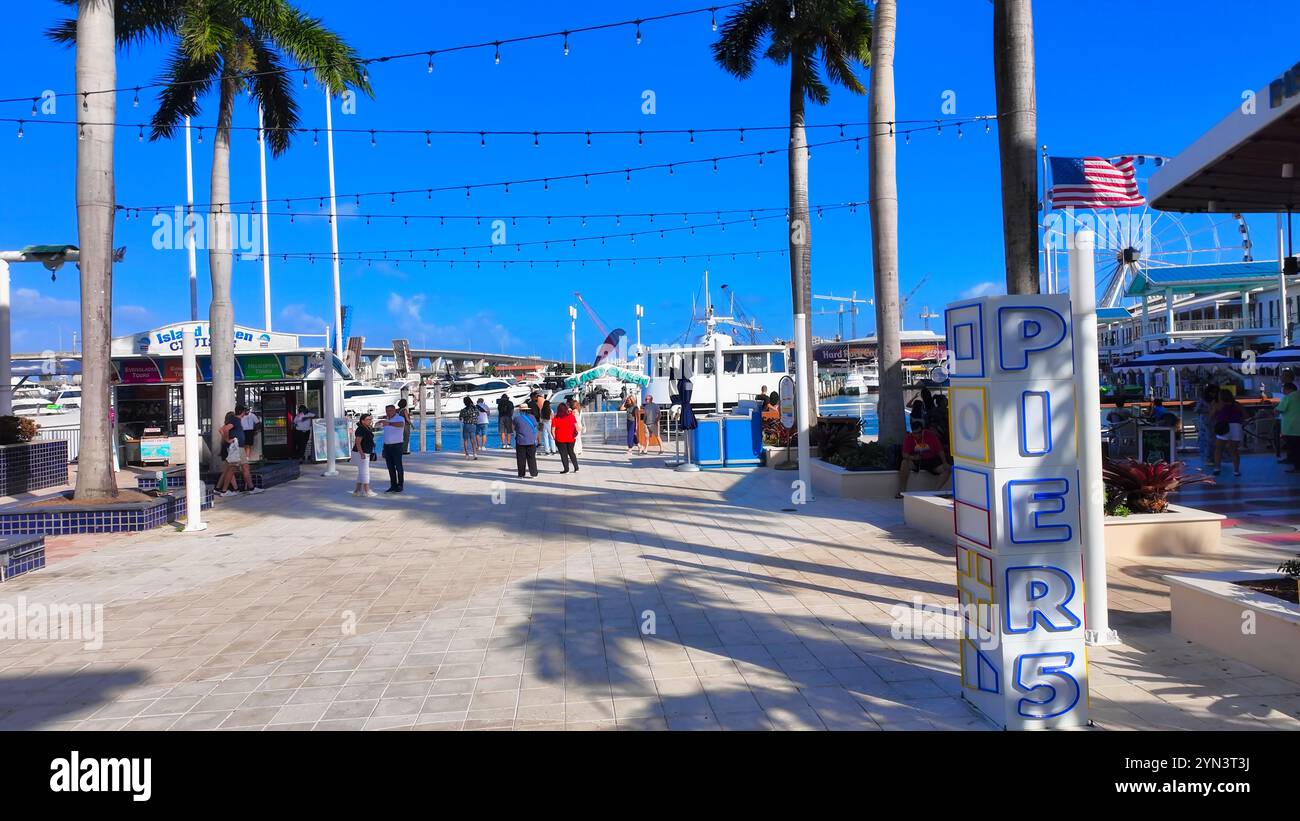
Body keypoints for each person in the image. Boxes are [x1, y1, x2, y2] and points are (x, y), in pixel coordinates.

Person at [895, 418, 950, 498]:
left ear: (923, 431)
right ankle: (902, 491)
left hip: (931, 460)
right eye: (915, 433)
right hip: (917, 460)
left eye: (919, 433)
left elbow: (940, 450)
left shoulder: (930, 435)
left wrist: (944, 462)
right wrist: (913, 457)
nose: (917, 435)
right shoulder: (908, 438)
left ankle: (935, 492)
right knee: (904, 463)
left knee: (947, 469)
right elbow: (904, 454)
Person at [1210, 389, 1244, 477]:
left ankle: (1217, 468)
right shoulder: (1237, 405)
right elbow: (1245, 415)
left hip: (1223, 427)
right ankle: (1236, 470)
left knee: (1218, 449)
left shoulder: (1219, 405)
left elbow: (1211, 416)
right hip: (1236, 427)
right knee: (1234, 450)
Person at [379, 404, 406, 492]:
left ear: (394, 410)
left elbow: (401, 424)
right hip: (387, 446)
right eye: (387, 411)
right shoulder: (386, 420)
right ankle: (393, 485)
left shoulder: (399, 418)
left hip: (397, 446)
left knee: (398, 466)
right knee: (390, 467)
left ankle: (400, 485)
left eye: (390, 410)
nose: (388, 412)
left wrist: (389, 423)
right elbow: (386, 435)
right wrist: (383, 449)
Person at [215, 412, 244, 497]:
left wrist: (224, 439)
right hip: (228, 448)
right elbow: (221, 430)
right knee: (230, 469)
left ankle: (218, 487)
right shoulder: (229, 425)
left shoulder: (228, 425)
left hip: (225, 447)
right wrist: (227, 439)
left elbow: (221, 430)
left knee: (227, 469)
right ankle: (234, 488)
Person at [352, 413, 377, 497]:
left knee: (361, 472)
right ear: (362, 421)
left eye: (370, 419)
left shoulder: (366, 428)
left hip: (365, 452)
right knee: (365, 472)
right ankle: (367, 490)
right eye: (368, 419)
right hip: (361, 453)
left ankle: (357, 490)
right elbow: (357, 442)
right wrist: (361, 453)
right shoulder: (361, 429)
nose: (370, 421)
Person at [512, 401, 540, 478]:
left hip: (521, 440)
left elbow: (513, 428)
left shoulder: (516, 418)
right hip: (531, 440)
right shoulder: (532, 417)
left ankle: (521, 474)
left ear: (520, 410)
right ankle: (534, 473)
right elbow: (535, 426)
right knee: (532, 458)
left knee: (521, 458)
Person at [1278, 382, 1300, 472]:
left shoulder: (1288, 397)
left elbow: (1280, 409)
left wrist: (1275, 409)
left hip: (1291, 427)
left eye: (1283, 389)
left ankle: (1297, 467)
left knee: (1294, 449)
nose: (1282, 391)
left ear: (1288, 389)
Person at [551, 402, 579, 473]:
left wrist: (555, 438)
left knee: (563, 454)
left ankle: (566, 469)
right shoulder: (571, 416)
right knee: (571, 452)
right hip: (571, 438)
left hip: (560, 439)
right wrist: (574, 435)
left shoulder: (555, 418)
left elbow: (552, 430)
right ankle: (576, 468)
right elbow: (577, 428)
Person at [1193, 385, 1218, 462]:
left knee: (1214, 440)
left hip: (1215, 421)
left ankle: (1214, 457)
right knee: (1208, 439)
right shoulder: (1203, 400)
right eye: (1212, 392)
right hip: (1206, 421)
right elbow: (1196, 410)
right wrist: (1208, 410)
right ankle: (1209, 457)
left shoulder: (1218, 400)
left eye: (1215, 392)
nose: (1213, 394)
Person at [458, 396, 479, 460]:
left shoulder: (463, 410)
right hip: (473, 425)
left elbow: (460, 418)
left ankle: (467, 454)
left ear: (465, 403)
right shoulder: (475, 409)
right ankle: (475, 454)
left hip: (466, 425)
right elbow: (478, 414)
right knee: (473, 440)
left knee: (465, 440)